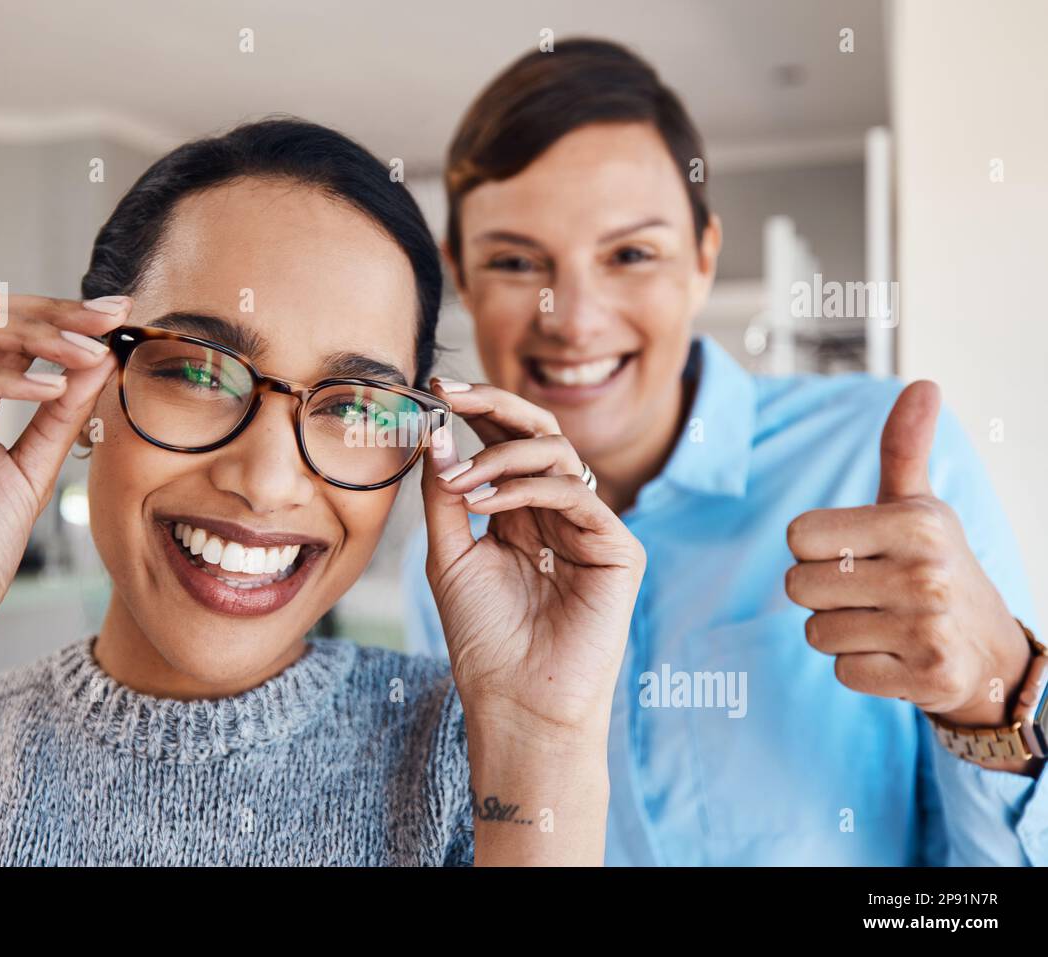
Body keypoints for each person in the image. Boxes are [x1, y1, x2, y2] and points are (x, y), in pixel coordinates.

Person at [0, 119, 645, 866]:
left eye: (356, 405)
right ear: (86, 384)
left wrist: (542, 738)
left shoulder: (472, 757)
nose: (263, 480)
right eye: (199, 371)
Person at [404, 39, 1047, 865]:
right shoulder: (447, 555)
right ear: (460, 273)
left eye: (631, 254)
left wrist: (994, 696)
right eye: (516, 261)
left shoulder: (869, 460)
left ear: (704, 259)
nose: (572, 318)